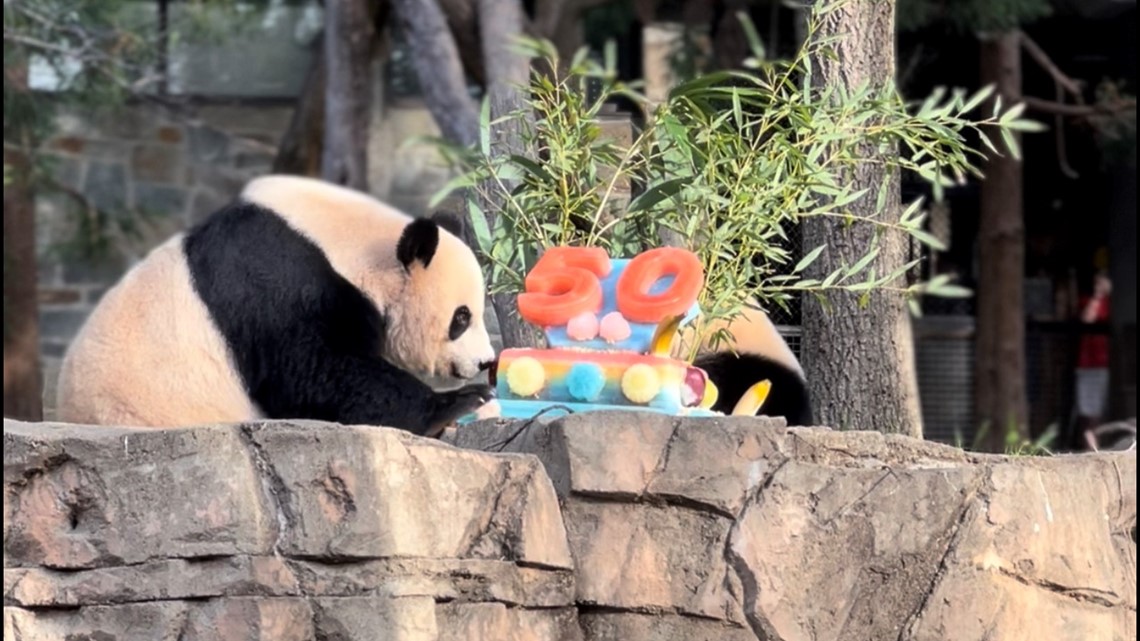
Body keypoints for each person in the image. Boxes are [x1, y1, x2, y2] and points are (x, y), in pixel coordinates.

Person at [1075, 267, 1112, 450]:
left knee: (1100, 411)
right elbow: (1087, 320)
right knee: (1087, 412)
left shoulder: (1114, 303)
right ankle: (1091, 449)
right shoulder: (1088, 301)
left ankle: (1100, 447)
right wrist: (1097, 297)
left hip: (1106, 364)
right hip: (1087, 364)